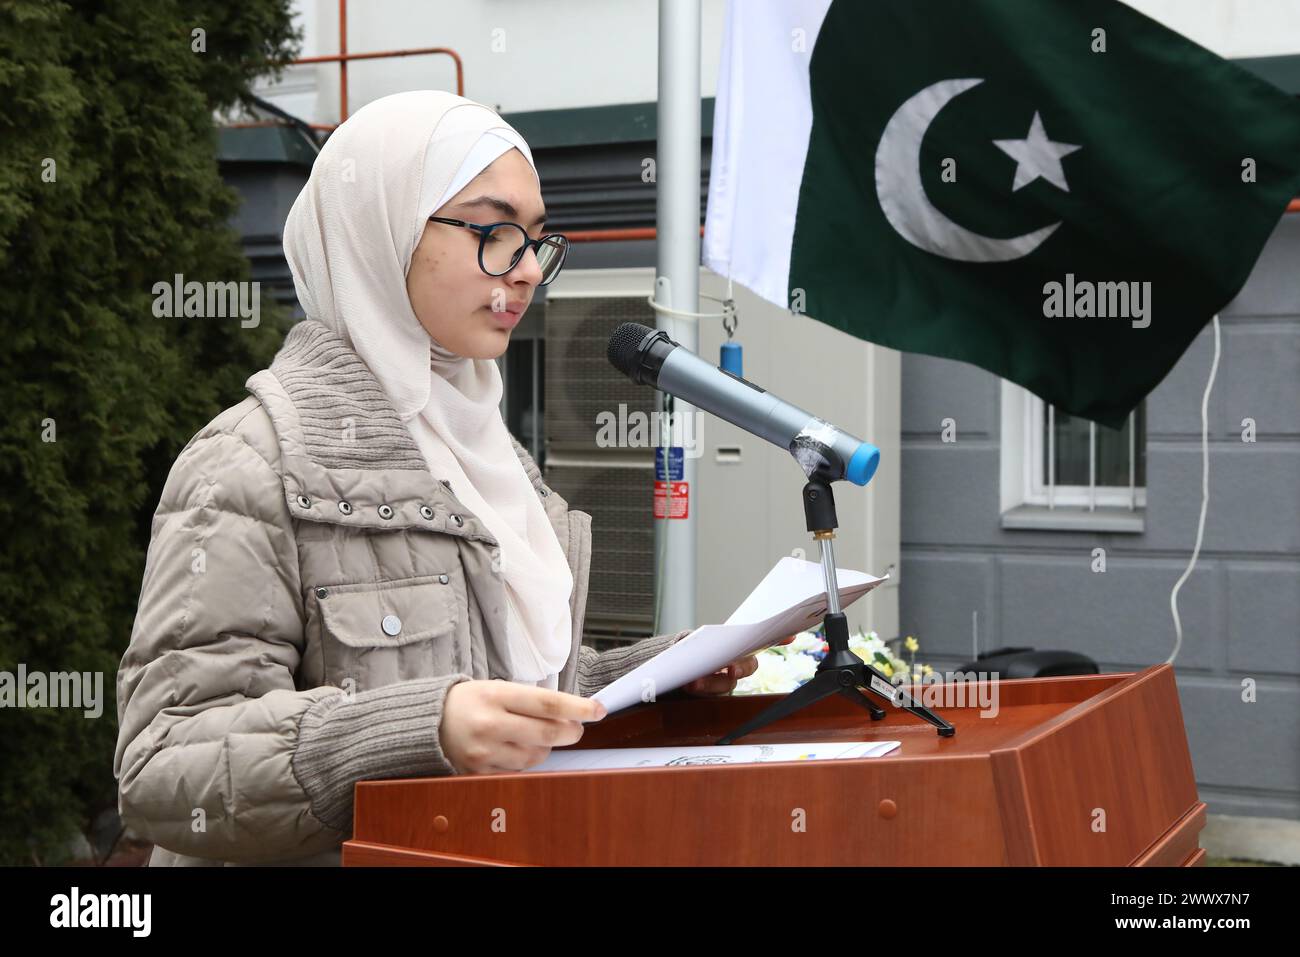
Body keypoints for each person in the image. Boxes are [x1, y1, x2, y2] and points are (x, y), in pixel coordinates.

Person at [113, 90, 775, 867]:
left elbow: (495, 678)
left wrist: (659, 674)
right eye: (494, 231)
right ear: (381, 230)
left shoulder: (494, 456)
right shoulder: (250, 460)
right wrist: (421, 727)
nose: (527, 271)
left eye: (535, 240)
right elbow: (166, 764)